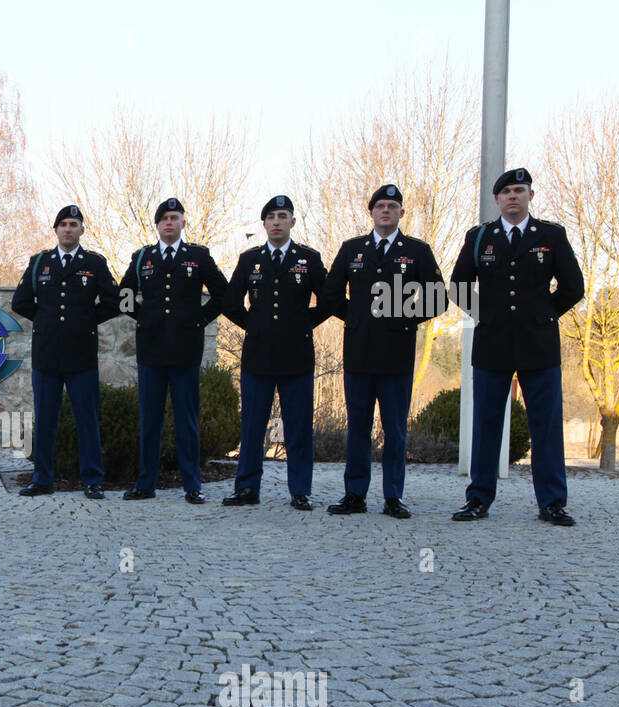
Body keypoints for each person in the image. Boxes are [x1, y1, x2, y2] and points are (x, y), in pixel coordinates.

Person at [448, 168, 584, 525]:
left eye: (519, 190)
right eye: (506, 191)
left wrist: (544, 315)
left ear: (530, 196)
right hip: (492, 343)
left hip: (538, 345)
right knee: (486, 424)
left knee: (547, 425)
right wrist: (486, 316)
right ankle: (478, 499)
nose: (513, 196)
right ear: (497, 199)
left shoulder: (551, 236)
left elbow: (574, 286)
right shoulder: (480, 237)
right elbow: (458, 285)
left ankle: (552, 502)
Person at [321, 184, 445, 518]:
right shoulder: (352, 250)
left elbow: (438, 297)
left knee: (395, 430)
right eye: (380, 206)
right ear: (371, 212)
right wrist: (359, 317)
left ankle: (393, 496)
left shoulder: (417, 251)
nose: (386, 211)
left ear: (402, 212)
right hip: (359, 353)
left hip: (396, 354)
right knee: (358, 428)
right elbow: (330, 295)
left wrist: (403, 317)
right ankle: (355, 495)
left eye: (392, 206)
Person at [119, 198, 229, 503]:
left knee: (186, 420)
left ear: (183, 223)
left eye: (175, 217)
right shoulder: (143, 257)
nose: (170, 222)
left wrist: (200, 320)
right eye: (165, 218)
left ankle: (192, 485)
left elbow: (223, 293)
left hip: (185, 350)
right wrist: (143, 318)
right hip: (151, 351)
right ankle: (145, 483)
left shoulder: (198, 256)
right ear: (157, 225)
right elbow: (124, 294)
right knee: (150, 420)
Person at [222, 195, 327, 510]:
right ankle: (247, 489)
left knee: (297, 428)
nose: (277, 221)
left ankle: (300, 491)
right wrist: (253, 325)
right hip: (259, 355)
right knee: (253, 426)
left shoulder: (308, 258)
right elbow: (229, 303)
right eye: (271, 217)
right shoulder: (249, 259)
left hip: (296, 356)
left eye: (283, 216)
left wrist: (304, 323)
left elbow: (330, 299)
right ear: (264, 224)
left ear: (292, 222)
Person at [11, 205, 121, 499]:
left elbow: (113, 301)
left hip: (81, 354)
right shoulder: (40, 262)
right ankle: (42, 479)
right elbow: (20, 301)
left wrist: (84, 321)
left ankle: (92, 480)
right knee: (45, 419)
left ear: (82, 230)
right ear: (56, 230)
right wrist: (46, 322)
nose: (68, 229)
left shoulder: (94, 263)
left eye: (74, 224)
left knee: (87, 418)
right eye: (63, 225)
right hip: (47, 354)